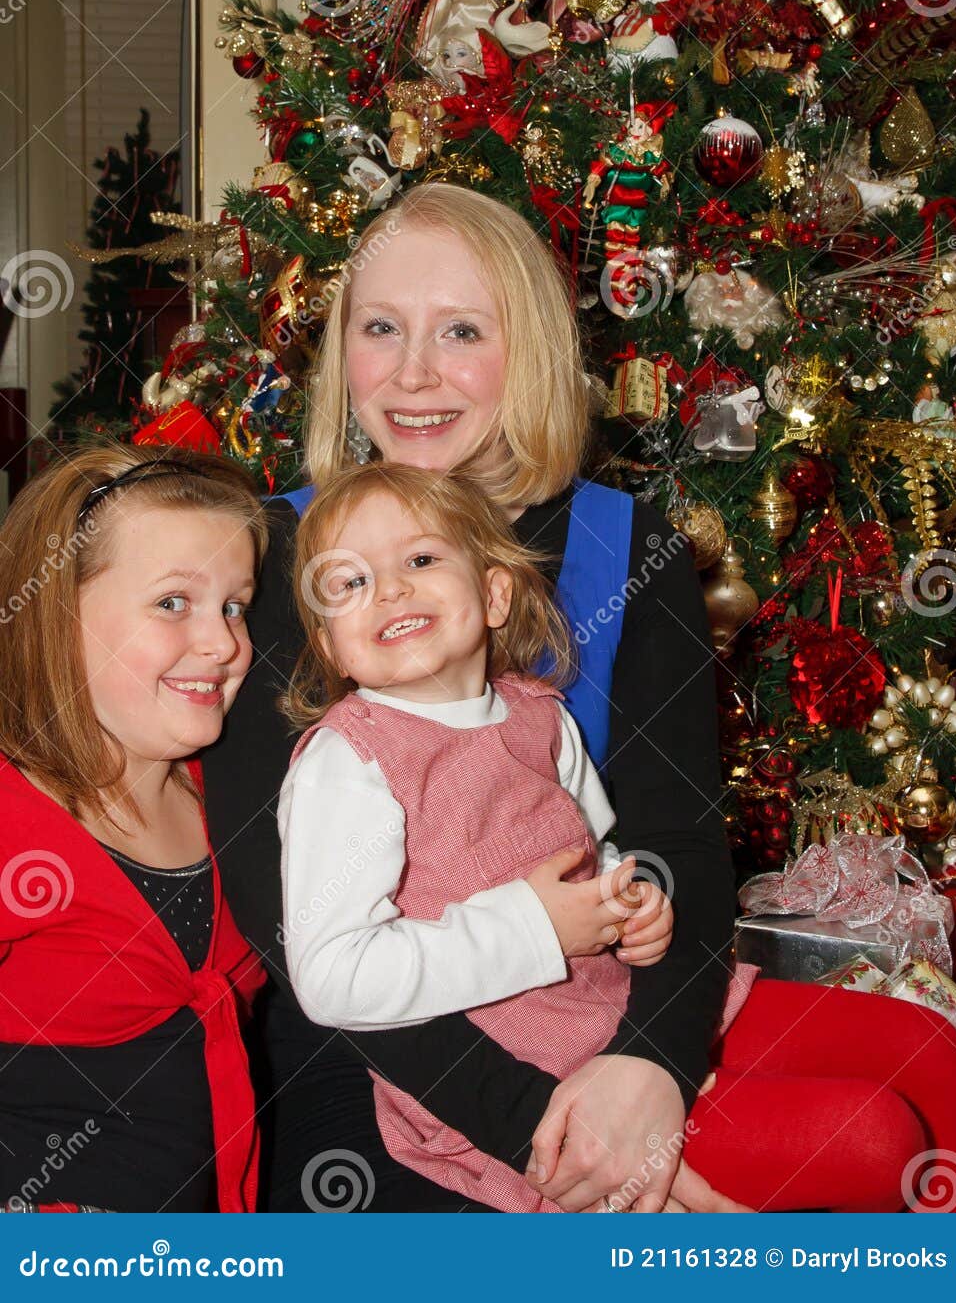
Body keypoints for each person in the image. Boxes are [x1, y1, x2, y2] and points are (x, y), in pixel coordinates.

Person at [202, 183, 956, 1214]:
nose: (414, 372)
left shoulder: (627, 547)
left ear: (525, 352)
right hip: (401, 1060)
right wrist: (551, 1119)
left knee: (923, 1047)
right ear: (341, 353)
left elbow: (677, 849)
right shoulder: (285, 558)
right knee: (868, 1142)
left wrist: (651, 1064)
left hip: (605, 989)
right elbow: (293, 929)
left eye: (462, 330)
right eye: (380, 328)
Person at [278, 461, 674, 1211]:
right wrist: (536, 926)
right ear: (332, 646)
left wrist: (630, 904)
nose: (389, 590)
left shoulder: (541, 716)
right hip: (515, 1078)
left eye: (421, 560)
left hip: (615, 1028)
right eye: (350, 582)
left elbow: (597, 855)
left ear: (494, 594)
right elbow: (331, 978)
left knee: (909, 1052)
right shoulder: (348, 760)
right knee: (865, 1135)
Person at [0, 442, 267, 1212]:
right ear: (57, 611)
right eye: (172, 603)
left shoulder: (238, 798)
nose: (222, 643)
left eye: (234, 606)